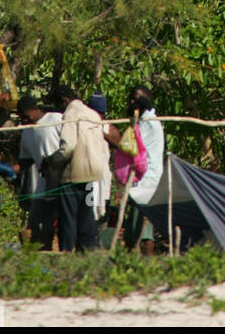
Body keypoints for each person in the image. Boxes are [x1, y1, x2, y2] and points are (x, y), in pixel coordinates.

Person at [43, 85, 110, 252]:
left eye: (59, 104)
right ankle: (89, 249)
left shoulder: (71, 114)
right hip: (91, 175)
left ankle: (68, 252)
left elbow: (68, 147)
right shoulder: (92, 113)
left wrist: (51, 161)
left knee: (69, 216)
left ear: (64, 99)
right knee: (86, 214)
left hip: (73, 176)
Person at [106, 85, 164, 255]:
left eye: (136, 99)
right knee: (137, 227)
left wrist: (109, 135)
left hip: (147, 182)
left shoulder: (149, 122)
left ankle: (145, 266)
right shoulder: (141, 121)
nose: (132, 102)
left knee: (142, 228)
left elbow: (132, 147)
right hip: (142, 181)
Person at [17, 95, 62, 247]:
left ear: (36, 109)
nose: (25, 120)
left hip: (60, 179)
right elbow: (25, 161)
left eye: (26, 116)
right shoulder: (27, 131)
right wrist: (9, 169)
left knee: (54, 218)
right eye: (22, 118)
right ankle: (37, 253)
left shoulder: (56, 119)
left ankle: (54, 247)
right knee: (34, 222)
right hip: (42, 183)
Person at [85, 93, 112, 231]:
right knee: (88, 214)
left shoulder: (106, 127)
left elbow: (120, 143)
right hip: (87, 177)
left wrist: (101, 131)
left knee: (102, 215)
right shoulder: (83, 125)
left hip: (102, 179)